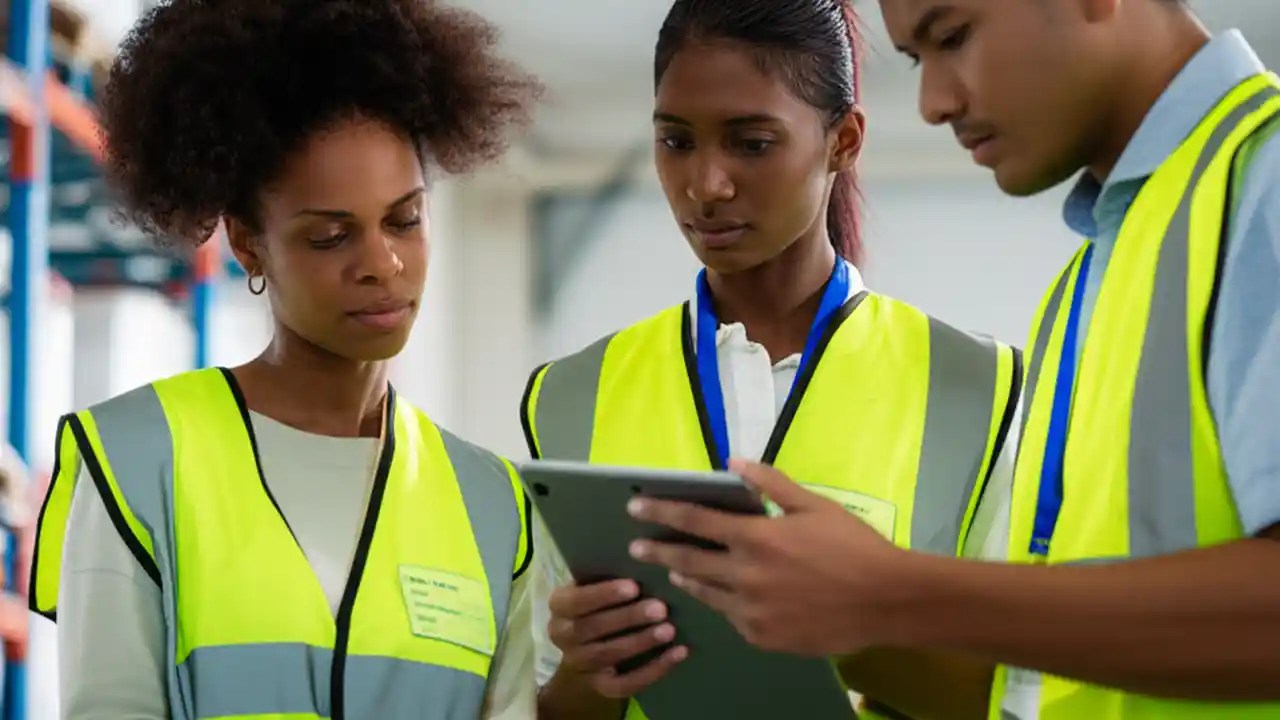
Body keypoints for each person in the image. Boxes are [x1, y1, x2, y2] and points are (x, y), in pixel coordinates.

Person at [625, 0, 1280, 718]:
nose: (934, 102)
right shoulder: (1092, 276)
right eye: (915, 59)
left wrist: (895, 591)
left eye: (954, 36)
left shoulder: (1264, 182)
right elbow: (1060, 685)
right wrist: (831, 617)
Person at [27, 1, 542, 717]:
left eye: (405, 220)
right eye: (332, 236)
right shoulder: (136, 460)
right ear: (247, 244)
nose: (382, 263)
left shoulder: (495, 504)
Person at [523, 1, 1024, 718]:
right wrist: (585, 675)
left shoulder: (982, 388)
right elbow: (548, 695)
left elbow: (1027, 697)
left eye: (751, 143)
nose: (707, 185)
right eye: (676, 141)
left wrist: (847, 624)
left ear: (844, 140)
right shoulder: (568, 394)